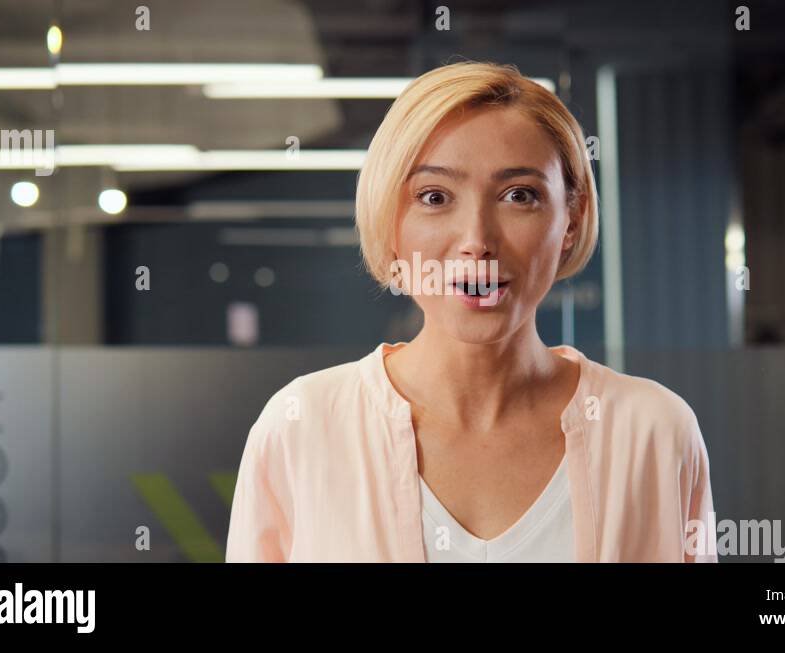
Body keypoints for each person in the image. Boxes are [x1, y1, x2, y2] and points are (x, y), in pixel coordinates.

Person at [225, 61, 716, 562]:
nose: (477, 241)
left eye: (519, 196)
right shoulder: (303, 427)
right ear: (388, 219)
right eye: (434, 197)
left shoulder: (653, 432)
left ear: (571, 218)